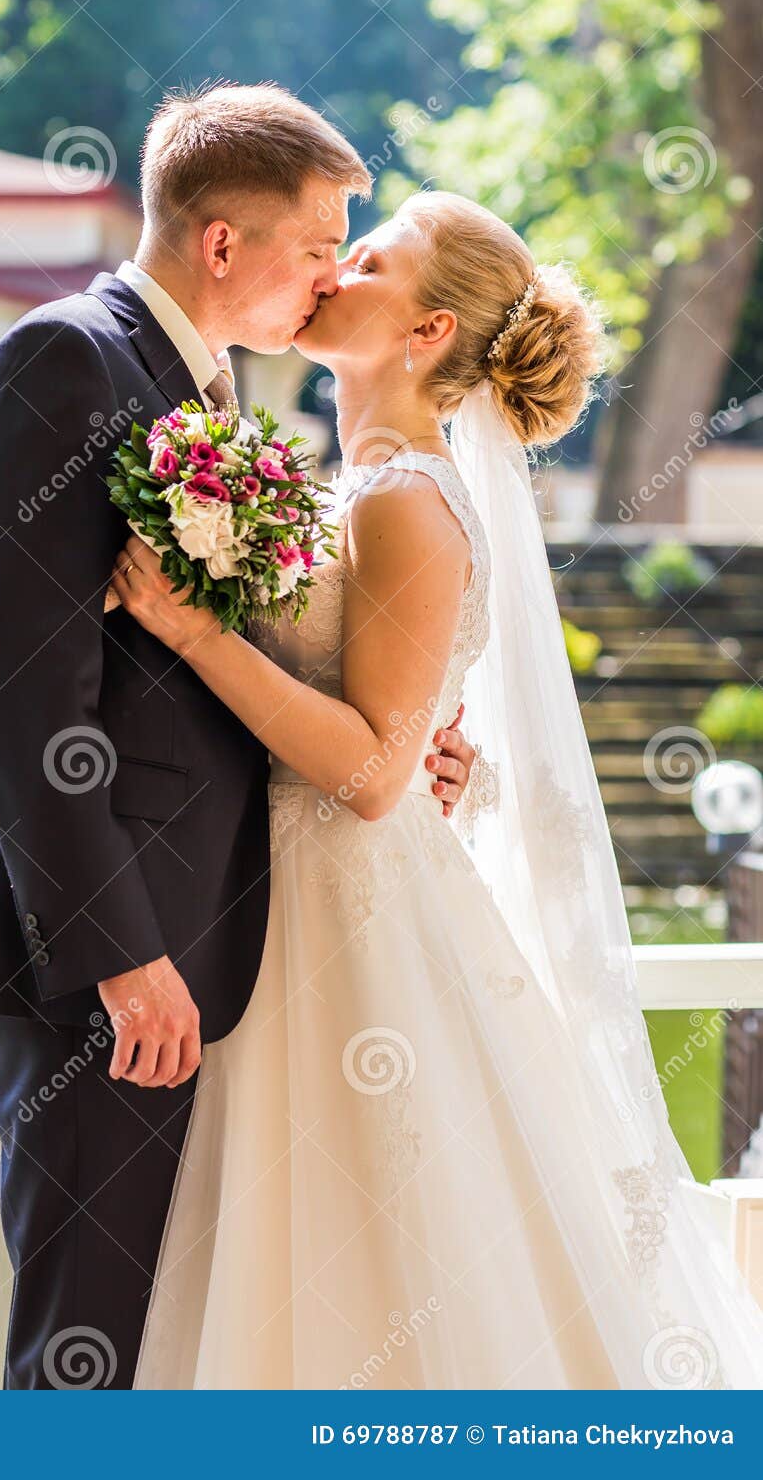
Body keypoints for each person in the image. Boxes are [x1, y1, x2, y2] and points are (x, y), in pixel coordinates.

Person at [114, 190, 763, 1389]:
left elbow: (363, 776)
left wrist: (192, 632)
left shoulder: (406, 501)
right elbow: (390, 744)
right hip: (286, 903)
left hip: (350, 926)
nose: (330, 270)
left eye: (364, 258)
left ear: (423, 333)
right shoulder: (350, 484)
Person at [0, 89, 477, 1389]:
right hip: (100, 975)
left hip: (212, 956)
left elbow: (241, 688)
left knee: (163, 1348)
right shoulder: (60, 363)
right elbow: (25, 704)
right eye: (312, 246)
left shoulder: (211, 401)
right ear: (223, 243)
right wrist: (120, 956)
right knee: (80, 1357)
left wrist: (397, 766)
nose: (325, 276)